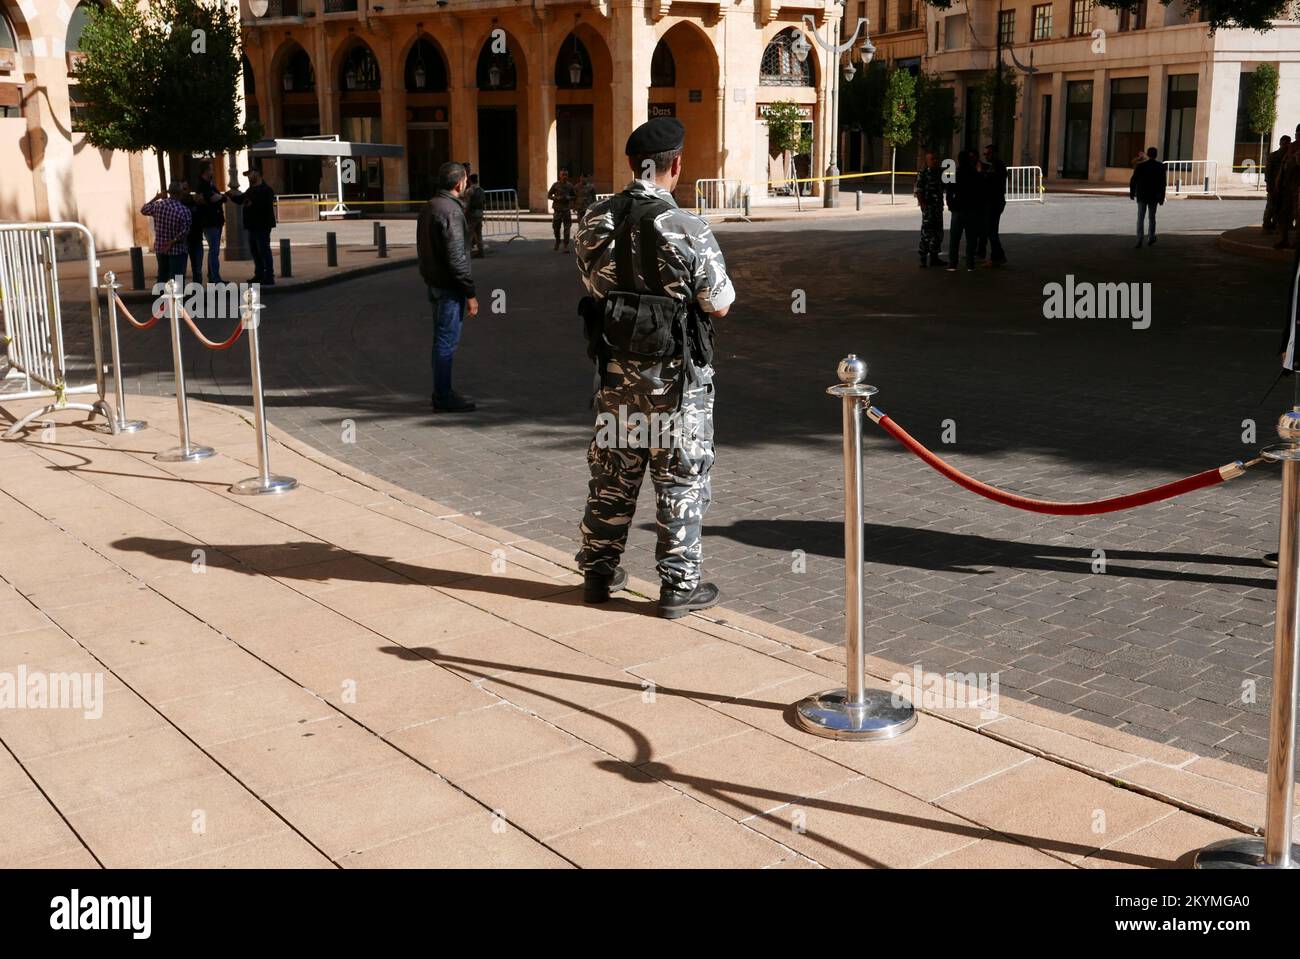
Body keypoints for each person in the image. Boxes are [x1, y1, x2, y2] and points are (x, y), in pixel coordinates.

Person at [573, 116, 735, 618]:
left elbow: (594, 287)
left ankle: (599, 573)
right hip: (676, 382)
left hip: (617, 376)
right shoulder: (688, 226)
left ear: (630, 165)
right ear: (677, 165)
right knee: (679, 476)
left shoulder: (594, 219)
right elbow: (719, 302)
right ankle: (677, 586)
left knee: (613, 473)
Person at [416, 161, 479, 413]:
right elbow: (456, 259)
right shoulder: (451, 211)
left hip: (435, 283)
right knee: (446, 342)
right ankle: (443, 395)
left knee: (440, 340)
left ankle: (441, 392)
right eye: (465, 180)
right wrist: (470, 293)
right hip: (449, 288)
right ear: (458, 183)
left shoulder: (431, 206)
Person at [229, 169, 277, 284]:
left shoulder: (267, 190)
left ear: (257, 173)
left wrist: (252, 204)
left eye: (250, 174)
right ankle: (259, 274)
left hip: (262, 226)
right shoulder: (251, 190)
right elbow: (241, 200)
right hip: (252, 226)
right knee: (255, 251)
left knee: (264, 251)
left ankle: (269, 276)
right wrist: (231, 196)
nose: (248, 177)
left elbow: (264, 207)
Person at [140, 181, 192, 286]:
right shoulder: (183, 210)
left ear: (169, 192)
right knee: (177, 279)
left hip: (160, 247)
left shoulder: (158, 205)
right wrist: (172, 242)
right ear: (180, 193)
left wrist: (156, 197)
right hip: (177, 250)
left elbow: (143, 209)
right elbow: (184, 232)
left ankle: (162, 301)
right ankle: (176, 301)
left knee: (162, 276)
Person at [192, 161, 227, 284]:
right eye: (211, 169)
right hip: (210, 222)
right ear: (206, 171)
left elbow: (215, 198)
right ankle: (215, 278)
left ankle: (212, 276)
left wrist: (219, 197)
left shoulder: (209, 184)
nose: (213, 171)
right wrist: (221, 197)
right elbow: (213, 198)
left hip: (215, 220)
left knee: (214, 250)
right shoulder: (203, 185)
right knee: (214, 251)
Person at [945, 150, 978, 272]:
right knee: (971, 238)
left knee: (954, 238)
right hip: (971, 209)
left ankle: (953, 263)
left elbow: (949, 191)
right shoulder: (974, 173)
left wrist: (950, 205)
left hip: (957, 209)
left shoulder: (955, 173)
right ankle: (970, 264)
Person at [976, 143, 1008, 266]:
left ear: (994, 153)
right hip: (994, 201)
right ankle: (997, 256)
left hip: (995, 202)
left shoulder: (997, 166)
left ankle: (997, 257)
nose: (986, 156)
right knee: (991, 230)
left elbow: (990, 180)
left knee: (992, 231)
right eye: (985, 153)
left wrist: (980, 172)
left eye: (988, 153)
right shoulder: (994, 165)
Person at [913, 150, 945, 268]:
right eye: (932, 159)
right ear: (927, 161)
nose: (935, 161)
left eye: (936, 158)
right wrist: (923, 206)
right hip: (929, 208)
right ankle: (923, 258)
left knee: (938, 233)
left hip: (937, 208)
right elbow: (919, 190)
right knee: (926, 233)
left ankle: (934, 257)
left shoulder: (939, 173)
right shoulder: (923, 173)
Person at [1129, 146, 1166, 248]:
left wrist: (1132, 192)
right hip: (1154, 195)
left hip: (1142, 194)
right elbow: (1163, 183)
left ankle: (1140, 238)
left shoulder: (1140, 166)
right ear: (1156, 155)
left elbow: (1133, 180)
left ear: (1148, 154)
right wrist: (1162, 197)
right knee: (1152, 217)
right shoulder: (1160, 167)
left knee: (1140, 217)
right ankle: (1151, 236)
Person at [548, 168, 576, 252]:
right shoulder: (555, 185)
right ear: (559, 176)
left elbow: (574, 196)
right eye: (563, 175)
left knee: (567, 229)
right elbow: (549, 195)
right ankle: (557, 241)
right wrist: (556, 198)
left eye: (566, 175)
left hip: (566, 210)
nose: (564, 176)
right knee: (556, 228)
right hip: (557, 210)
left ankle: (565, 245)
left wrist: (569, 198)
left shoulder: (570, 186)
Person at [463, 172, 486, 258]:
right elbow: (483, 203)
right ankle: (481, 252)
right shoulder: (481, 190)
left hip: (471, 215)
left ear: (470, 181)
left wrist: (465, 213)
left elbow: (467, 204)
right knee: (479, 234)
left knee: (469, 235)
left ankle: (467, 253)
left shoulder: (469, 191)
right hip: (480, 214)